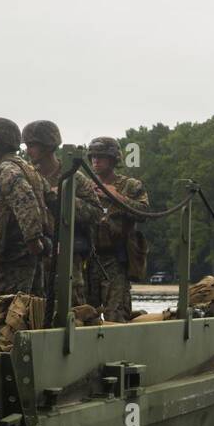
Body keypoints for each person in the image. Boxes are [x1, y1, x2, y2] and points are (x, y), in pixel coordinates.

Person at [21, 120, 104, 307]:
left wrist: (67, 200)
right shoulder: (28, 176)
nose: (27, 150)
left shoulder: (73, 177)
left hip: (67, 257)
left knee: (73, 307)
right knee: (33, 309)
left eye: (32, 145)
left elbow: (97, 213)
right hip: (36, 254)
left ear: (47, 146)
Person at [0, 117, 51, 297]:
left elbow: (26, 203)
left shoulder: (7, 170)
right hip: (26, 254)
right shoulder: (26, 167)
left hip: (14, 257)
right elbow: (52, 198)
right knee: (29, 310)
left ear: (3, 142)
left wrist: (34, 240)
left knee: (6, 312)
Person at [84, 136, 149, 323]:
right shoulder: (84, 185)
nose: (96, 160)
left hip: (116, 259)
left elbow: (144, 212)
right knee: (87, 314)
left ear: (113, 159)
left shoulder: (130, 185)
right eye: (93, 156)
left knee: (116, 314)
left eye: (101, 156)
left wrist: (116, 196)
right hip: (88, 258)